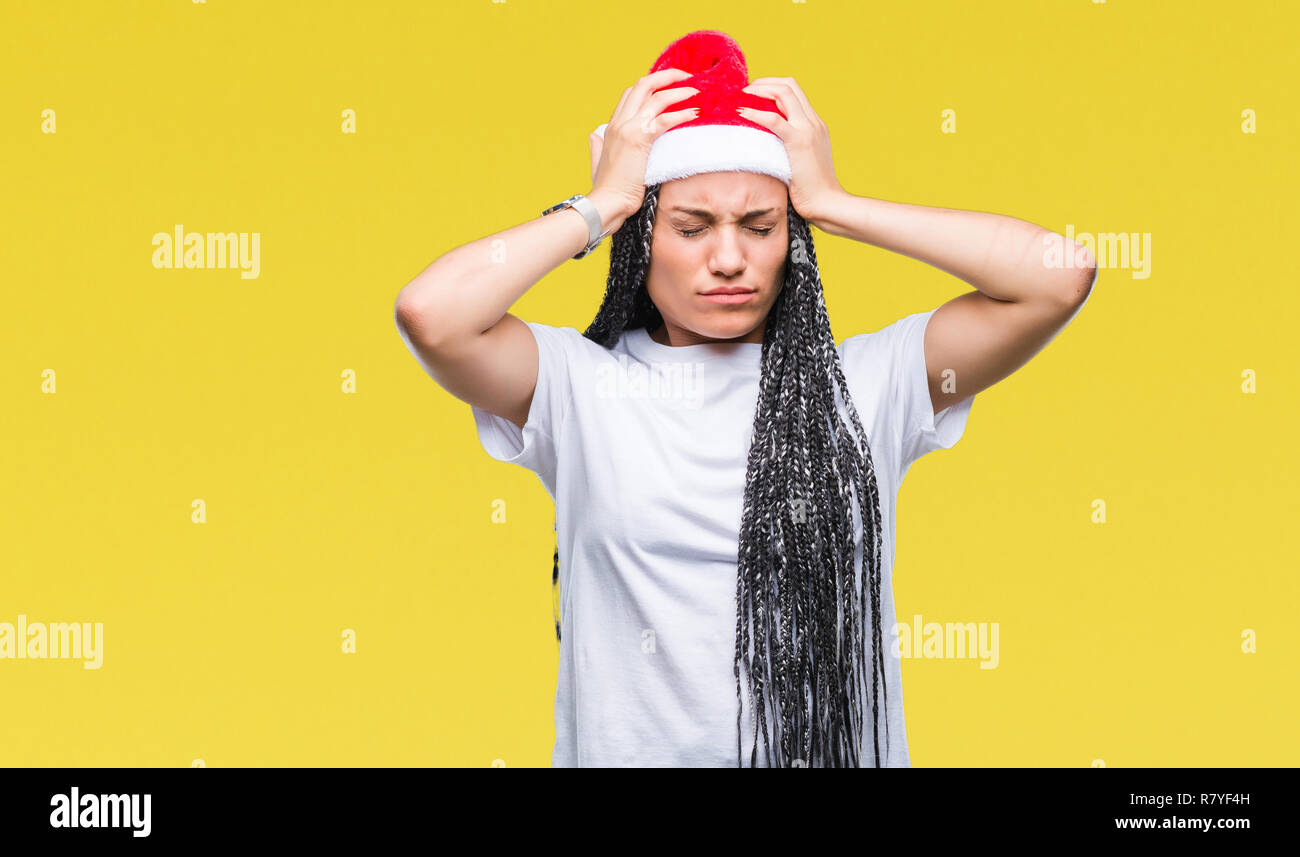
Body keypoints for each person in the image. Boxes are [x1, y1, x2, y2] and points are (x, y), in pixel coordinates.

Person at [393, 30, 1097, 768]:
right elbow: (432, 314)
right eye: (691, 227)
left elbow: (1058, 274)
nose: (729, 258)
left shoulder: (863, 386)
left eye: (761, 227)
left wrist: (835, 203)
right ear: (642, 239)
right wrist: (601, 203)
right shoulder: (580, 386)